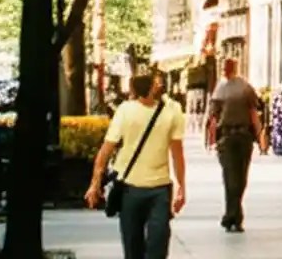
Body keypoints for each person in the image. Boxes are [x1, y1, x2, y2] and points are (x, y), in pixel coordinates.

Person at [85, 74, 187, 259]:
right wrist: (95, 182)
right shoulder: (126, 111)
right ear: (148, 89)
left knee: (158, 245)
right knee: (133, 248)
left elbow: (177, 153)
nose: (159, 85)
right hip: (129, 188)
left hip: (160, 189)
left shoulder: (172, 110)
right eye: (155, 83)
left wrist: (181, 187)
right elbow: (106, 149)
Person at [205, 58, 266, 233]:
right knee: (231, 178)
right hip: (226, 137)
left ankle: (231, 216)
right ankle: (234, 217)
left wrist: (260, 136)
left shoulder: (245, 88)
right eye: (223, 66)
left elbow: (253, 113)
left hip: (244, 136)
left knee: (241, 179)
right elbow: (214, 118)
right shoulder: (219, 89)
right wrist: (211, 140)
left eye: (227, 67)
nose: (225, 69)